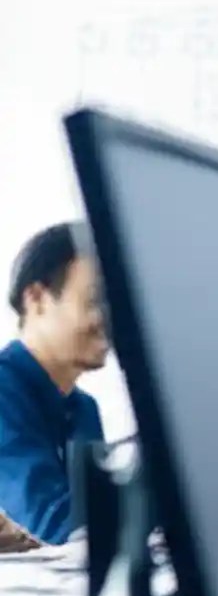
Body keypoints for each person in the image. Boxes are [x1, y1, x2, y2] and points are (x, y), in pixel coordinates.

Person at [0, 222, 108, 544]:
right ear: (37, 299)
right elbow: (58, 527)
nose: (108, 318)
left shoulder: (83, 408)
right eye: (95, 301)